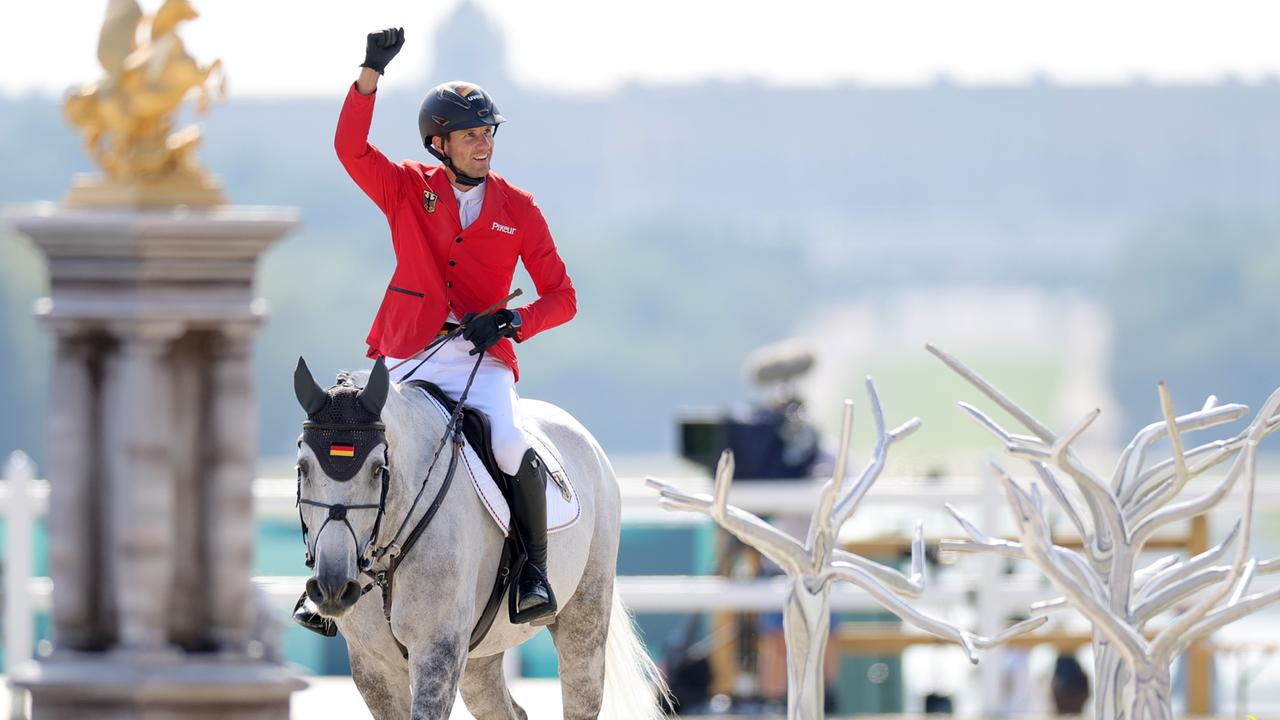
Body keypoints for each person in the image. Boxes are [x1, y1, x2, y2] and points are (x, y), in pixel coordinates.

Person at [293, 27, 576, 634]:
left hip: (481, 360)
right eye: (472, 135)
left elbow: (564, 297)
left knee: (508, 443)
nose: (484, 144)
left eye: (489, 133)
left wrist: (512, 319)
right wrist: (370, 74)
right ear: (439, 142)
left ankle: (532, 573)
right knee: (351, 432)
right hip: (409, 349)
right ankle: (322, 579)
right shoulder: (406, 187)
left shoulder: (519, 208)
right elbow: (349, 148)